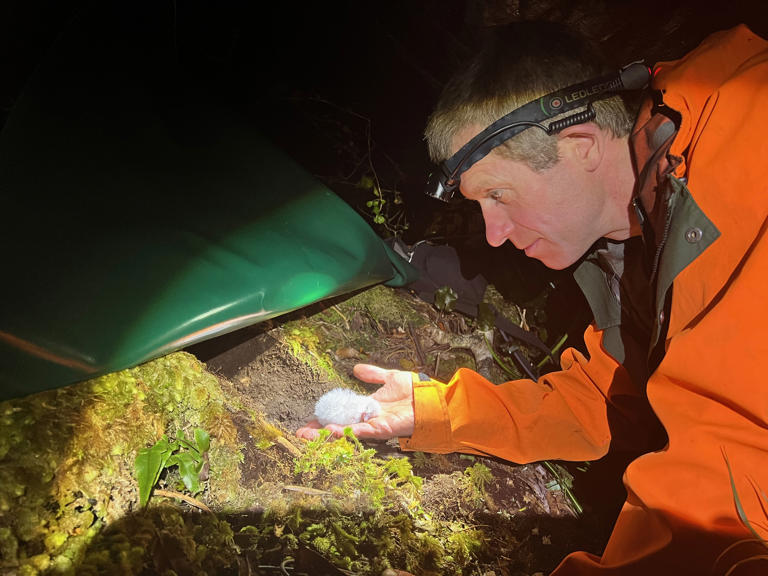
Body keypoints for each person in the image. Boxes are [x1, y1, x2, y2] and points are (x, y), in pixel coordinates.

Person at [297, 20, 768, 575]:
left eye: (499, 195)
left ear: (580, 145)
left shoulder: (743, 156)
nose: (494, 234)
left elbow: (730, 465)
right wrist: (438, 410)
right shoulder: (636, 235)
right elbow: (607, 399)